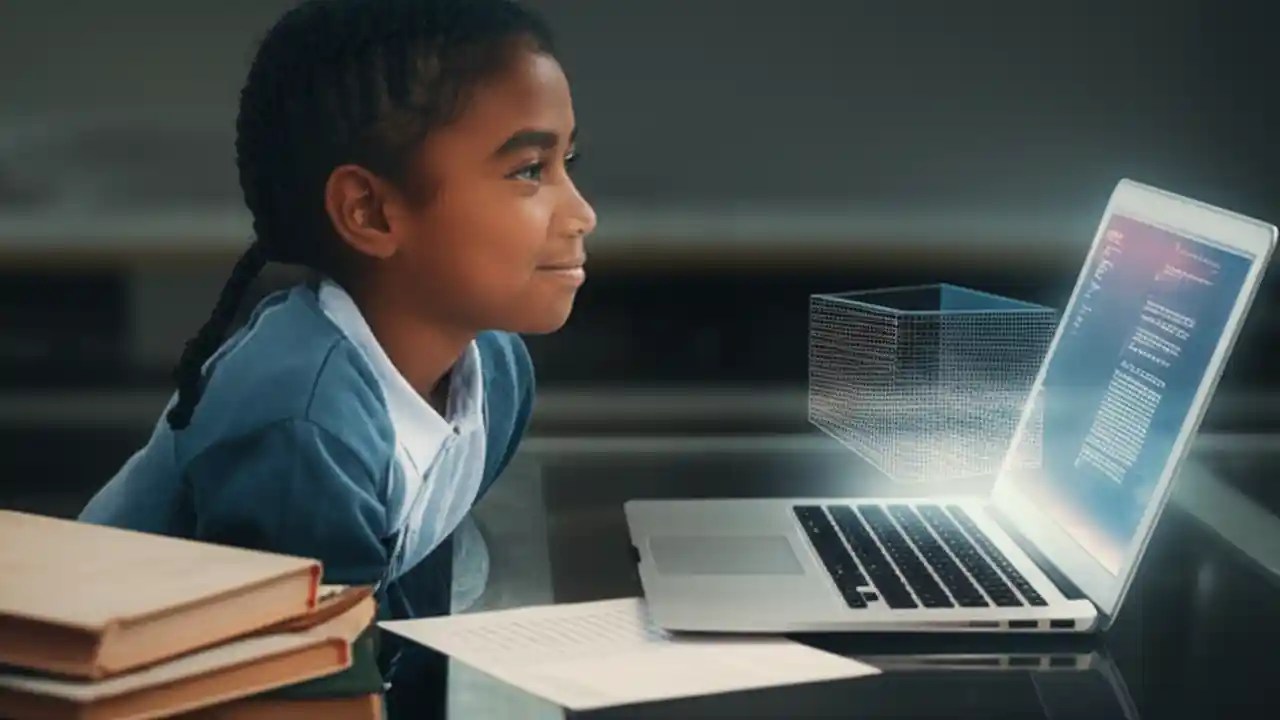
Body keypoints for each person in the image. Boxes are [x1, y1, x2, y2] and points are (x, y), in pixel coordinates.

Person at [79, 0, 595, 713]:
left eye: (569, 162)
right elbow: (298, 694)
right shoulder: (301, 427)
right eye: (529, 170)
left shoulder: (499, 376)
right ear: (370, 212)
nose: (582, 214)